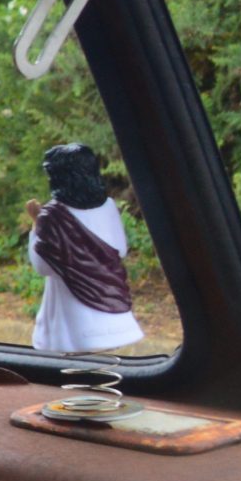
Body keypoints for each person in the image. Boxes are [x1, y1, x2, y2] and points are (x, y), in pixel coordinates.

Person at [25, 142, 144, 354]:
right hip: (115, 316)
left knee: (72, 361)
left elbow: (43, 267)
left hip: (72, 324)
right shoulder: (108, 205)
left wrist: (36, 225)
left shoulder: (52, 215)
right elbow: (121, 250)